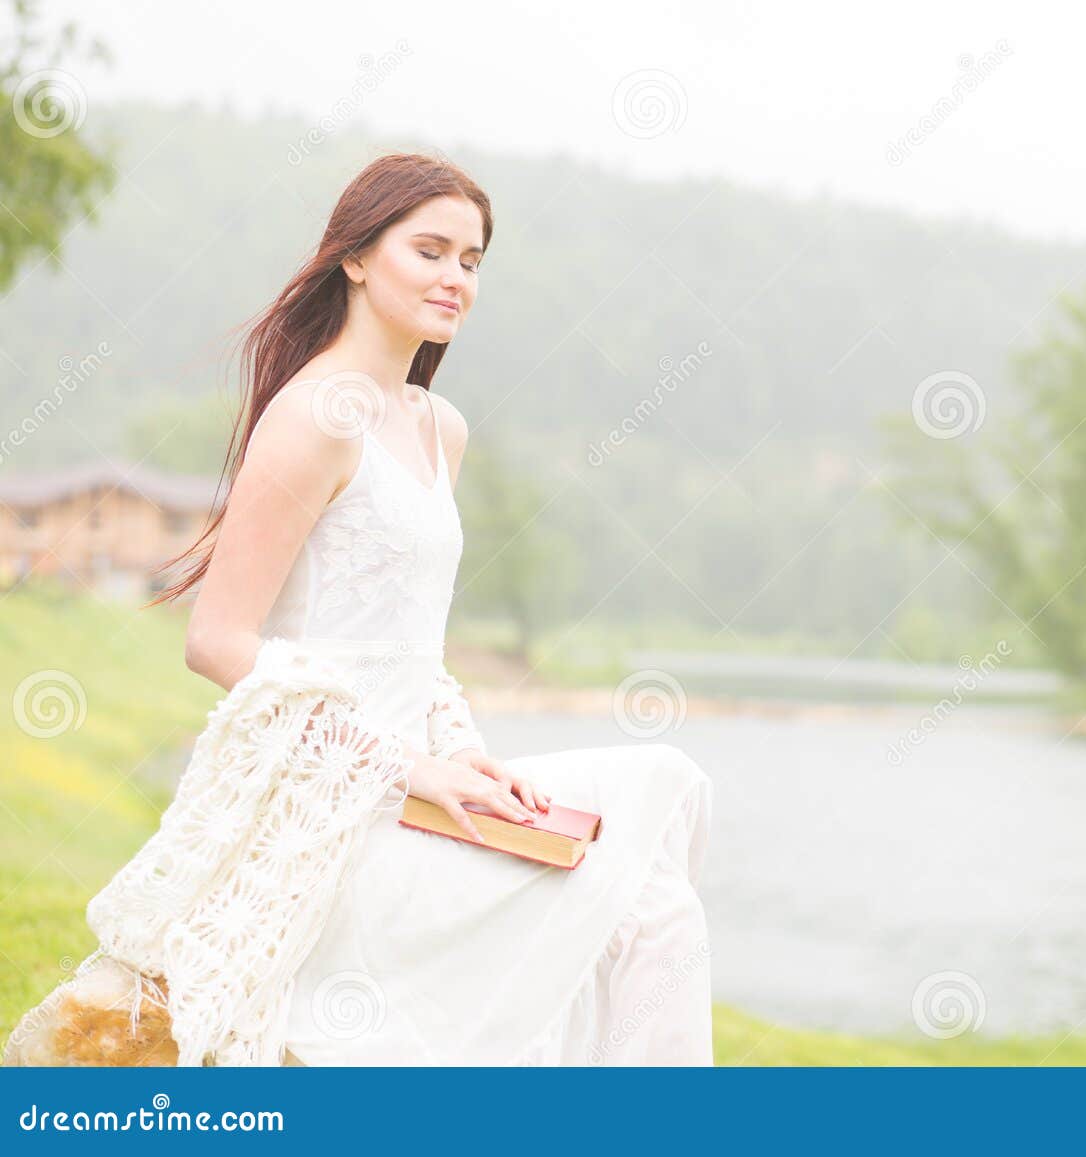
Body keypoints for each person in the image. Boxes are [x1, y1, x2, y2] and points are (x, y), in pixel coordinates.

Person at [148, 153, 714, 1065]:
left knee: (658, 858)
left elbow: (413, 650)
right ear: (355, 258)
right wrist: (406, 766)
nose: (456, 277)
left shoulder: (438, 427)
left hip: (427, 789)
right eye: (431, 250)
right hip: (335, 810)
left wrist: (464, 754)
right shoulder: (314, 417)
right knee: (637, 910)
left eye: (472, 259)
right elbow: (216, 640)